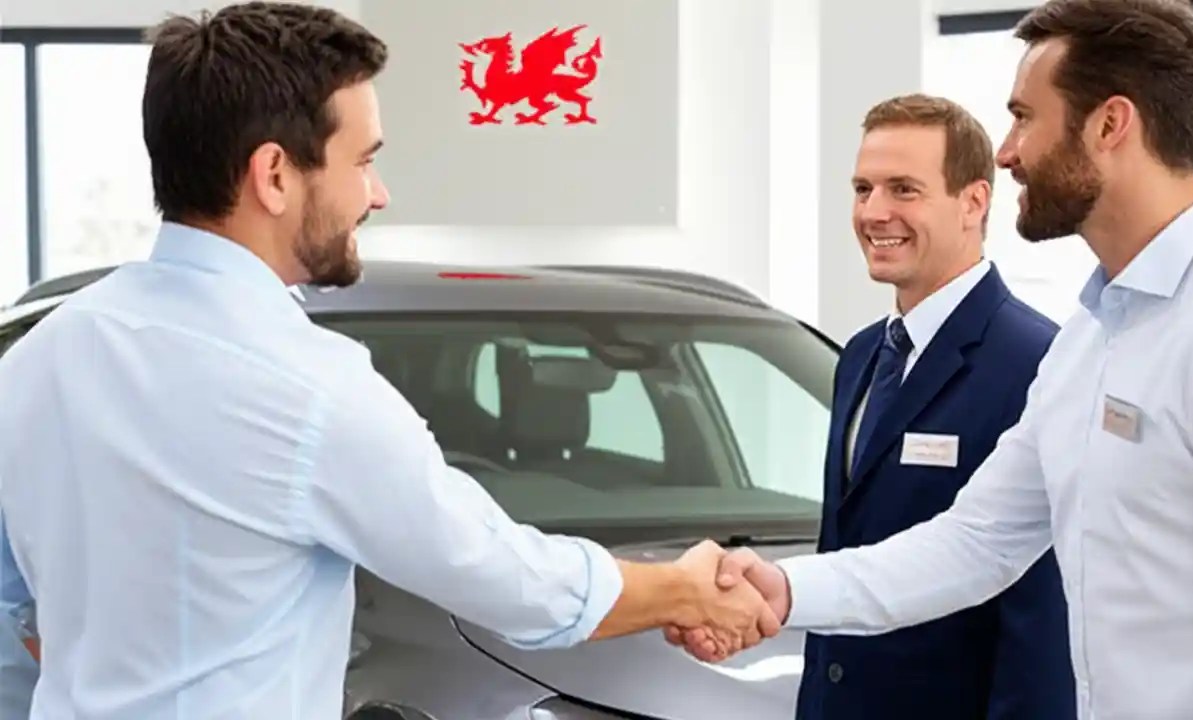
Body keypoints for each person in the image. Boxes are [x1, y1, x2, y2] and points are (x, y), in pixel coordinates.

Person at [0, 3, 776, 717]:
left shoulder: (37, 360)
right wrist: (680, 588)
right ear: (274, 175)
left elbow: (9, 604)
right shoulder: (307, 387)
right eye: (362, 159)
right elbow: (506, 581)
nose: (378, 192)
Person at [672, 0, 1193, 717]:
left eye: (1025, 116)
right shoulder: (1087, 342)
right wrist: (786, 589)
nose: (1006, 150)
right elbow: (977, 543)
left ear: (1110, 125)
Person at [791, 93, 1075, 720]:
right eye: (863, 189)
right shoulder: (862, 356)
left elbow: (1042, 613)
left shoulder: (1038, 362)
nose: (873, 212)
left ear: (974, 201)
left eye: (903, 190)